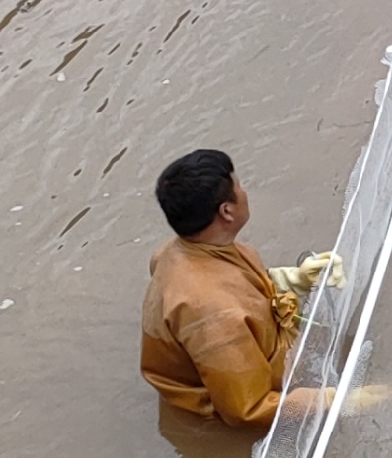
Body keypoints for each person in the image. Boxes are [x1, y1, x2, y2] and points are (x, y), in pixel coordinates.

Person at [140, 149, 338, 430]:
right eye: (239, 186)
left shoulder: (172, 252)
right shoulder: (215, 317)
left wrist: (292, 280)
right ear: (227, 211)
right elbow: (248, 409)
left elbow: (234, 285)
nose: (244, 193)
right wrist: (337, 400)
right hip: (223, 404)